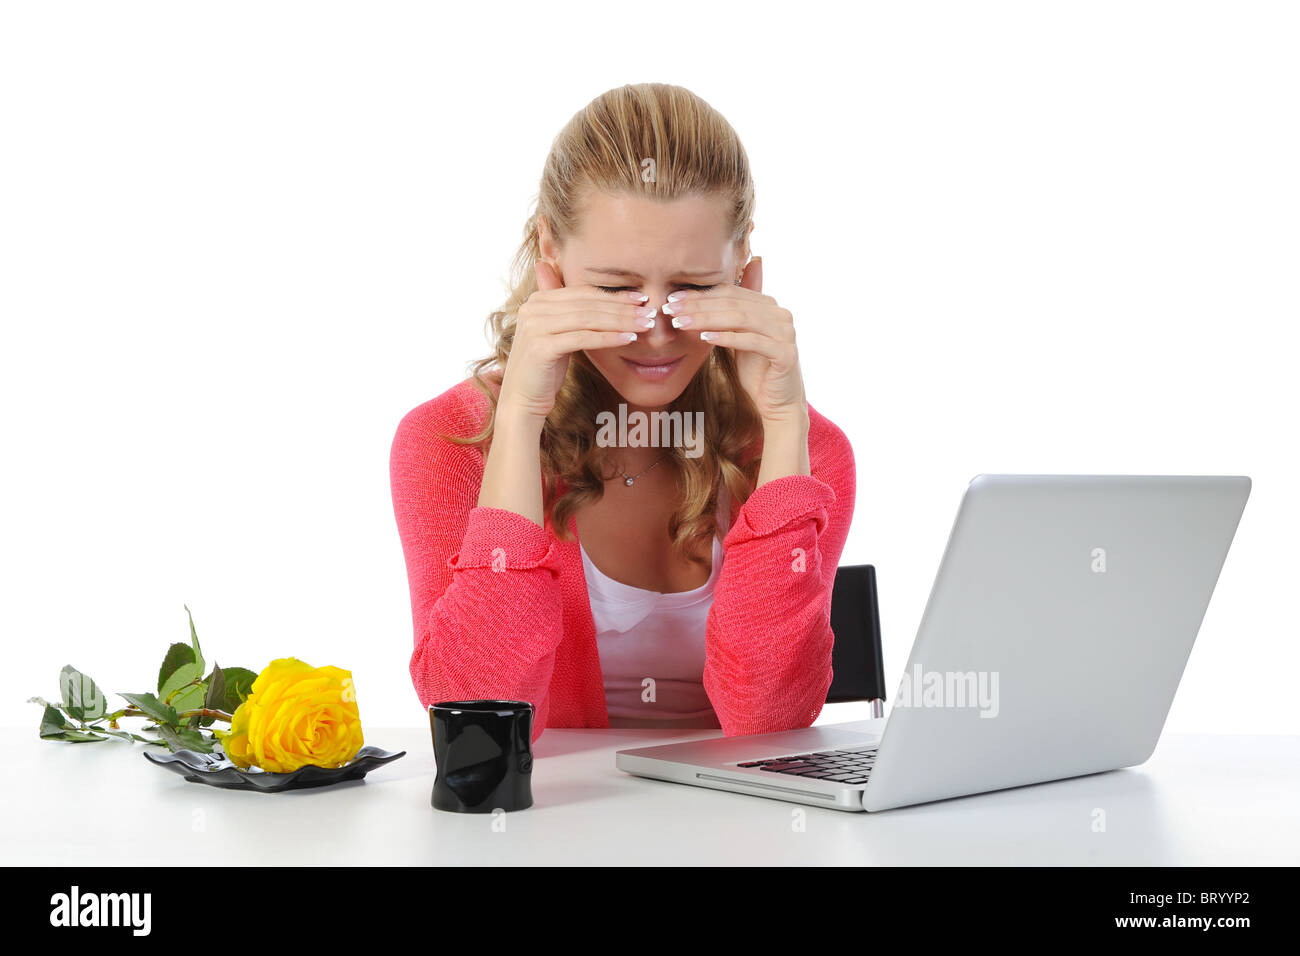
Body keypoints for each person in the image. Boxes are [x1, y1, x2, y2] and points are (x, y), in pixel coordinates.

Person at [390, 83, 856, 743]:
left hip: (739, 835)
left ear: (744, 264)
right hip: (546, 836)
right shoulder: (448, 441)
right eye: (616, 290)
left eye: (694, 288)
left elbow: (769, 719)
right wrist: (520, 418)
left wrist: (783, 429)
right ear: (549, 249)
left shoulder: (809, 449)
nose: (657, 330)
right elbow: (476, 723)